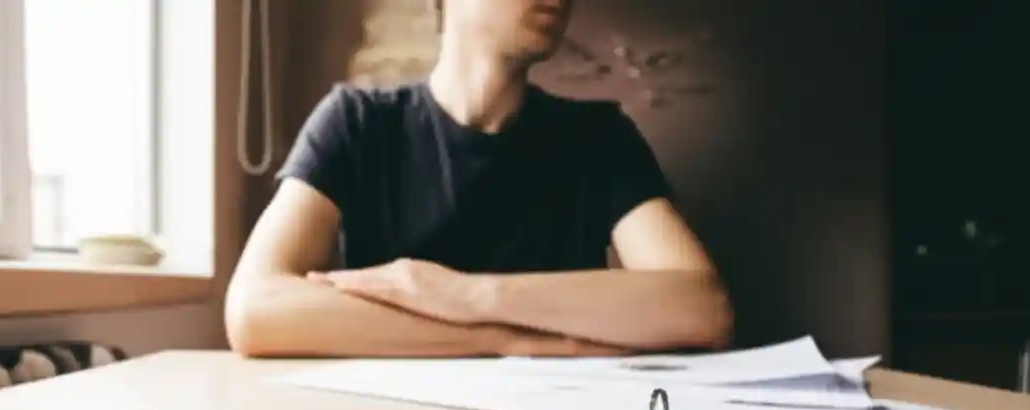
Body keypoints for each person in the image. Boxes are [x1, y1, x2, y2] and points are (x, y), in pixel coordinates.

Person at [226, 0, 732, 357]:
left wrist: (463, 296)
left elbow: (699, 308)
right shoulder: (357, 122)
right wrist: (506, 339)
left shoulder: (599, 138)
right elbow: (257, 310)